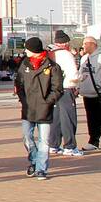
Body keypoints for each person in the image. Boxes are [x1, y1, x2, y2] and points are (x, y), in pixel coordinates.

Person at [15, 36, 63, 181]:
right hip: (28, 108)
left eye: (27, 49)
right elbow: (19, 84)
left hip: (44, 109)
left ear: (33, 50)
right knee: (27, 137)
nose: (25, 51)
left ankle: (41, 168)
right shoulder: (25, 65)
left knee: (44, 140)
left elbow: (58, 89)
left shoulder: (52, 67)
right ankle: (34, 160)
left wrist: (47, 102)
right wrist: (23, 100)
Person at [47, 30, 83, 158]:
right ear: (66, 42)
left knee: (55, 119)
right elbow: (73, 75)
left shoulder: (50, 54)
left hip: (53, 89)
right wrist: (81, 77)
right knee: (68, 118)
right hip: (67, 88)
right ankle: (70, 146)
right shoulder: (67, 55)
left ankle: (53, 144)